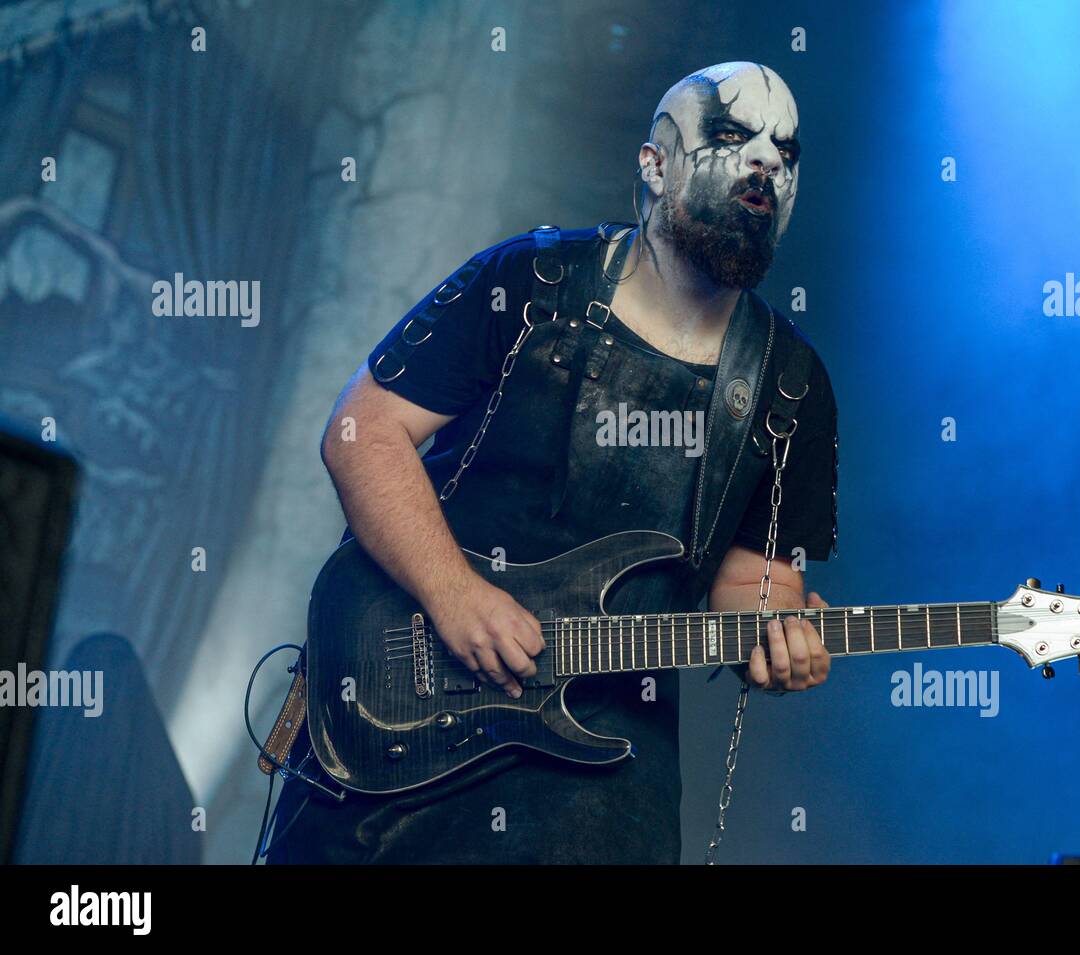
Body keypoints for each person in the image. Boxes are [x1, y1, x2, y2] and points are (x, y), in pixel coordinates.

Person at [267, 61, 838, 864]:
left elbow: (751, 586)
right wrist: (455, 593)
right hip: (405, 706)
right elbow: (362, 430)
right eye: (736, 135)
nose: (767, 163)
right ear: (656, 162)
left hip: (599, 781)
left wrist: (776, 638)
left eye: (786, 149)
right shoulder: (528, 283)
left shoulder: (787, 382)